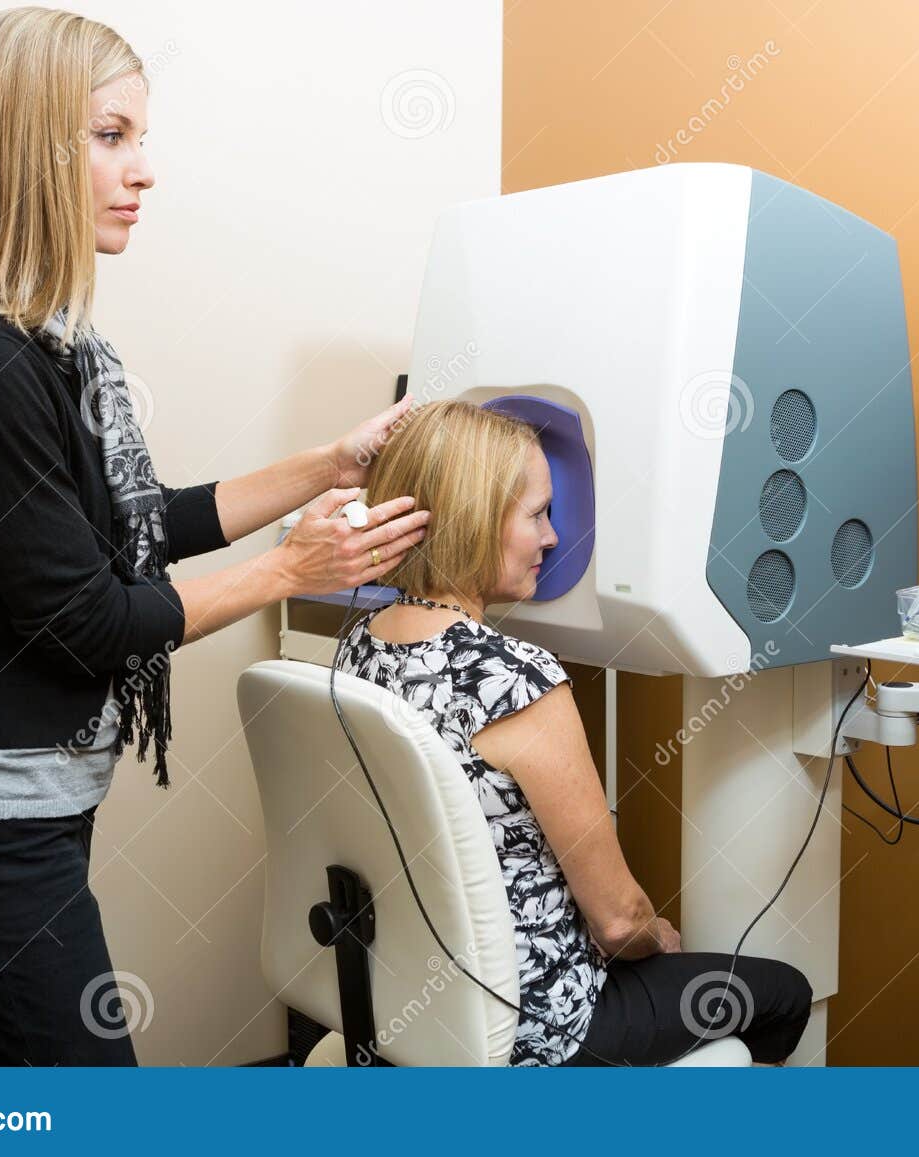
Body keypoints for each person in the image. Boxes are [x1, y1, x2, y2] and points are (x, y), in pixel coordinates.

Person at [0, 7, 428, 1065]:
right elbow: (91, 620)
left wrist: (325, 466)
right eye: (111, 136)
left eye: (139, 138)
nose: (144, 170)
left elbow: (132, 525)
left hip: (0, 815)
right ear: (22, 148)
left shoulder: (26, 349)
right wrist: (292, 569)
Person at [336, 399, 813, 1066]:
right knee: (785, 991)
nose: (554, 537)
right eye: (537, 514)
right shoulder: (516, 679)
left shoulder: (359, 646)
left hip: (417, 1000)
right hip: (540, 1027)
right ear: (475, 519)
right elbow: (618, 923)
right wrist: (655, 936)